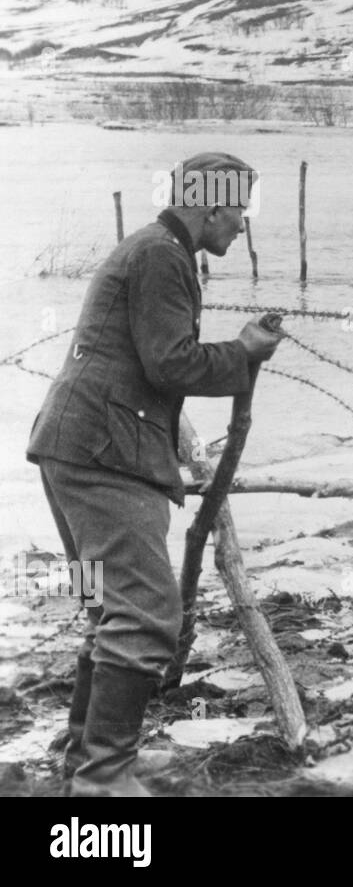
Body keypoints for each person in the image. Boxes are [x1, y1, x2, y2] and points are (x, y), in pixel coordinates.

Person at [26, 151, 283, 796]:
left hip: (76, 448)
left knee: (107, 607)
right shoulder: (162, 257)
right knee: (144, 614)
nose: (242, 227)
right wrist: (244, 353)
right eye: (239, 213)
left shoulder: (157, 249)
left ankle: (87, 759)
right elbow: (170, 365)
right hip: (105, 456)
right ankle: (104, 781)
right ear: (210, 206)